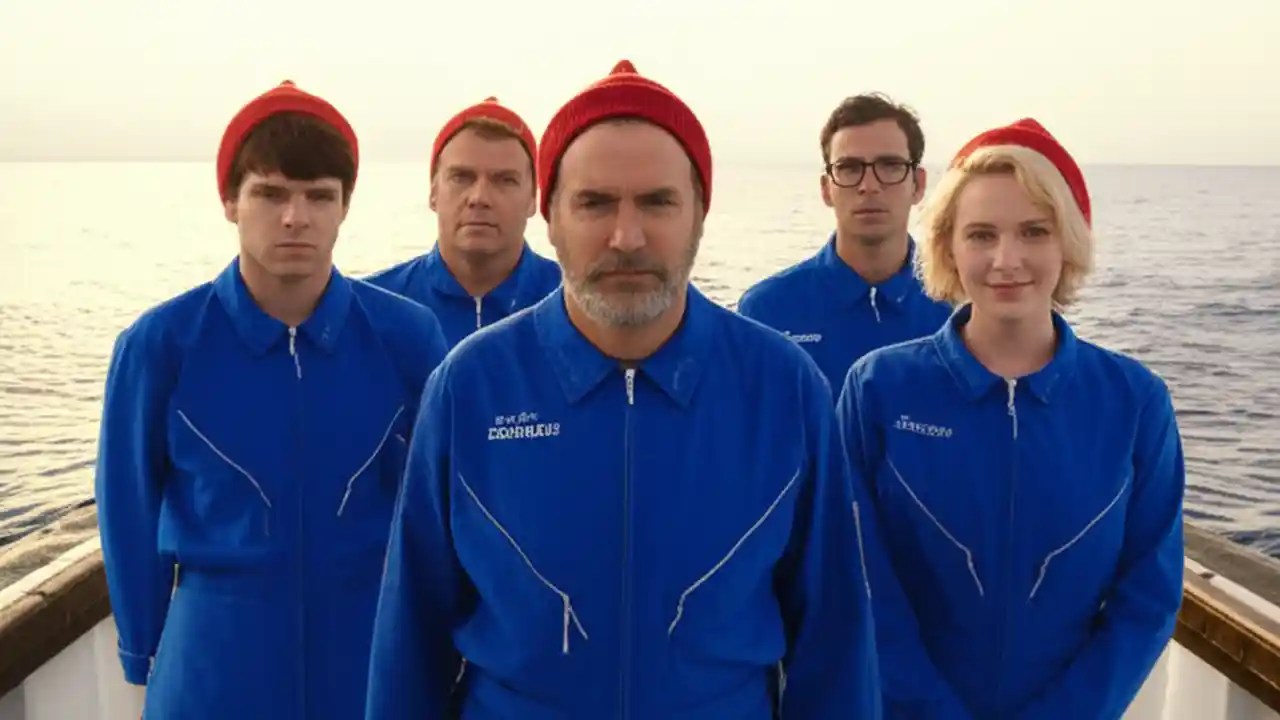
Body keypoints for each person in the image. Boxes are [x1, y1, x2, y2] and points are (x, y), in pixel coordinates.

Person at [365, 60, 881, 719]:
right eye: (595, 202)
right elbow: (411, 635)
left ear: (700, 212)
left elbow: (834, 644)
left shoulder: (781, 389)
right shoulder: (473, 386)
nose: (626, 237)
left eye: (658, 202)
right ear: (548, 213)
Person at [93, 79, 449, 720]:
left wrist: (442, 647)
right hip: (215, 659)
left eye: (319, 196)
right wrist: (141, 647)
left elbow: (440, 509)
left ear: (345, 207)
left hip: (369, 655)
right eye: (270, 193)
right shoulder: (162, 345)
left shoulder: (407, 336)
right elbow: (128, 507)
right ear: (230, 200)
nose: (295, 216)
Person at [836, 118, 1185, 719]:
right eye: (981, 235)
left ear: (1068, 242)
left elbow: (1147, 597)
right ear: (948, 246)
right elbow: (860, 578)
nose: (1007, 259)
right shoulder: (879, 389)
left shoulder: (1134, 403)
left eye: (1033, 231)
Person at [738, 93, 952, 391]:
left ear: (918, 184)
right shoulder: (767, 311)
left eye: (890, 165)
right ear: (827, 189)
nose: (869, 185)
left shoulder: (957, 307)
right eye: (850, 168)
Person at [366, 96, 561, 348]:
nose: (479, 198)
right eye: (461, 177)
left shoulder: (575, 306)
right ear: (433, 193)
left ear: (533, 199)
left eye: (504, 180)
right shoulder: (371, 309)